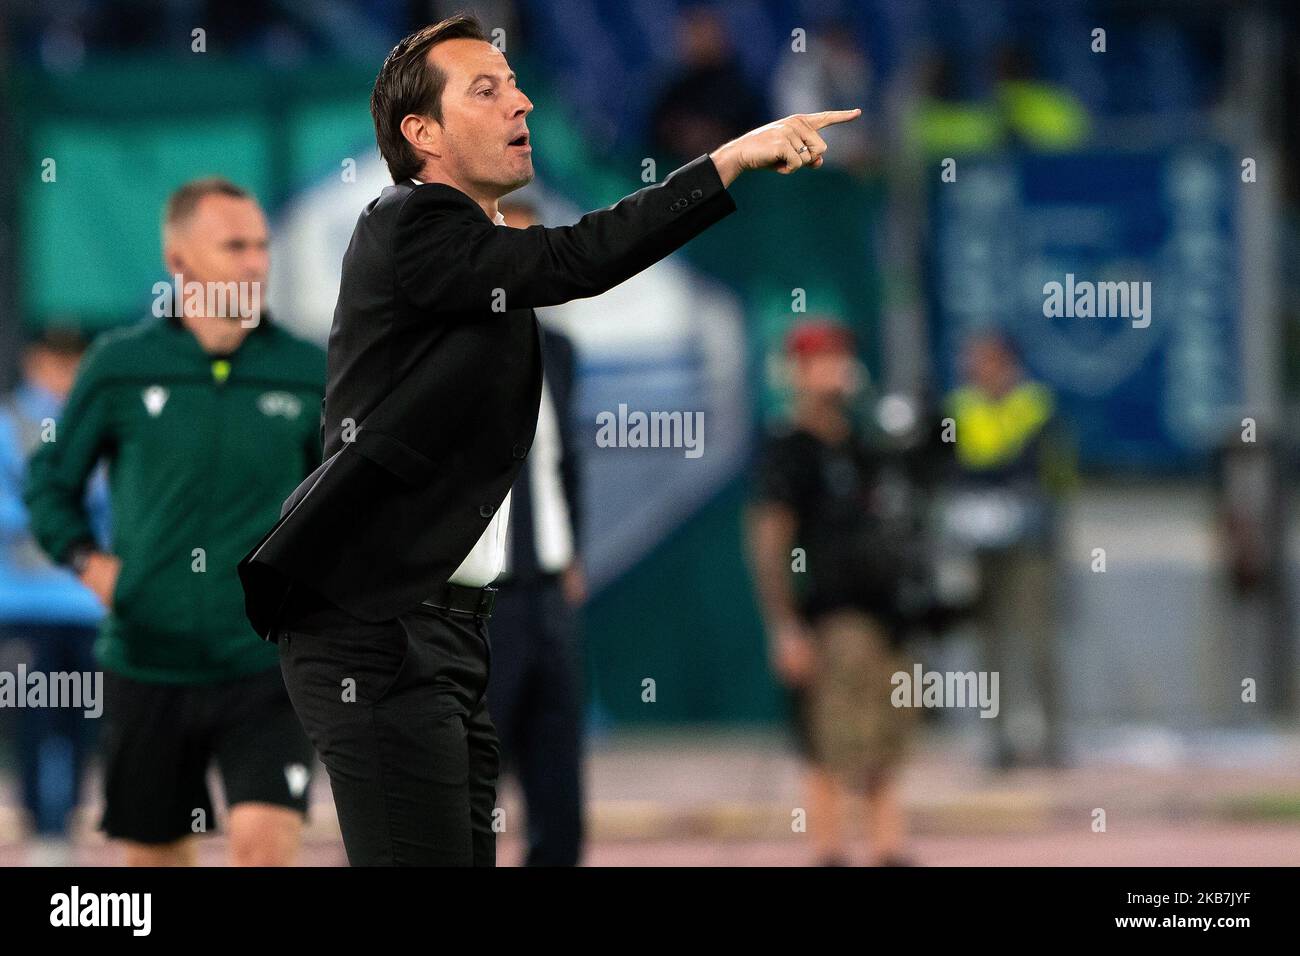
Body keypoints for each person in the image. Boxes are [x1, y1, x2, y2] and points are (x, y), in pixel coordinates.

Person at [238, 13, 861, 866]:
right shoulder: (409, 222)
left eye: (516, 83)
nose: (521, 100)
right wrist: (729, 160)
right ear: (421, 133)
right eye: (486, 90)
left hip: (456, 624)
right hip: (372, 623)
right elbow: (576, 259)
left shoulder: (477, 267)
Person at [24, 178, 326, 865]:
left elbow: (340, 501)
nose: (255, 262)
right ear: (180, 262)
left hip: (264, 664)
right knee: (154, 866)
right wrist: (88, 563)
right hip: (147, 660)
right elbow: (51, 482)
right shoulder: (121, 365)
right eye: (235, 246)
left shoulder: (308, 370)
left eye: (261, 245)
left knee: (264, 848)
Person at [747, 319, 919, 866]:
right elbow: (769, 542)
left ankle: (888, 848)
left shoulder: (863, 443)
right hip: (828, 618)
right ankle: (829, 850)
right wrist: (785, 627)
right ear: (797, 372)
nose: (835, 371)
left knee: (885, 740)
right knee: (828, 742)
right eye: (821, 361)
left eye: (840, 358)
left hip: (882, 615)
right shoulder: (787, 448)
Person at [488, 200, 587, 865]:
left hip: (548, 590)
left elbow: (563, 458)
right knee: (466, 782)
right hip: (478, 596)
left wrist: (572, 546)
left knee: (559, 788)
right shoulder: (441, 344)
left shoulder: (559, 351)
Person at [942, 331, 1075, 768]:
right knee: (989, 643)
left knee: (1037, 639)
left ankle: (1052, 739)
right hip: (978, 539)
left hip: (1030, 541)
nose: (980, 372)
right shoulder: (959, 409)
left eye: (989, 362)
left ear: (1009, 365)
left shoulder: (1036, 406)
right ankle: (998, 740)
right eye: (974, 363)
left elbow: (1052, 471)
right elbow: (946, 465)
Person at [0, 328, 108, 862]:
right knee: (34, 717)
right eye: (57, 365)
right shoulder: (8, 424)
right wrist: (53, 517)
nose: (65, 378)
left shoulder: (95, 426)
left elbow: (116, 504)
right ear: (35, 362)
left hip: (83, 604)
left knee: (83, 720)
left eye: (75, 365)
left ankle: (65, 821)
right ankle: (42, 828)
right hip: (23, 604)